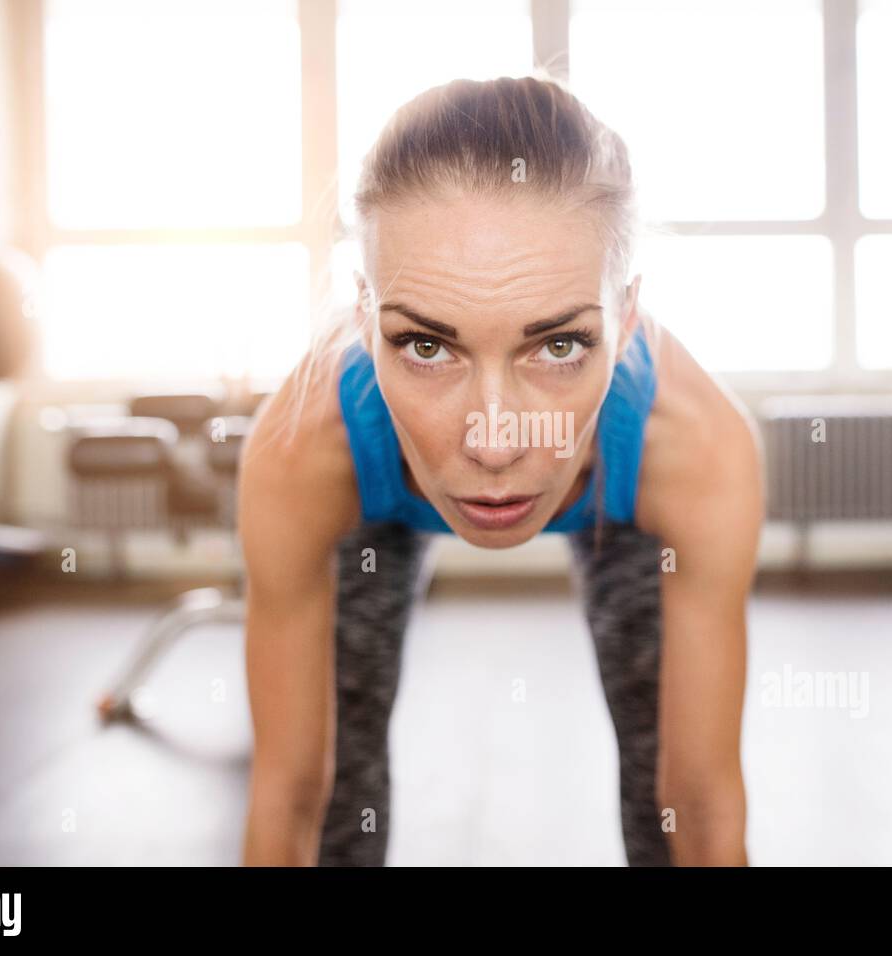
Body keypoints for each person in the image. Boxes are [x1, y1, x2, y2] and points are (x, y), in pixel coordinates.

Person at [238, 74, 764, 867]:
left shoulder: (693, 450)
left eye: (558, 345)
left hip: (617, 502)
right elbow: (287, 793)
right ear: (363, 315)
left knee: (666, 811)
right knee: (342, 798)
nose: (492, 443)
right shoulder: (303, 451)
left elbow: (704, 799)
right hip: (375, 501)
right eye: (425, 345)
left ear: (625, 320)